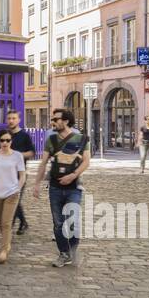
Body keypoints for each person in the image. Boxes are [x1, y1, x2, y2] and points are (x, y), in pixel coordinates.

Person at [36, 108, 90, 267]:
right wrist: (37, 183)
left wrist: (73, 175)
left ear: (66, 121)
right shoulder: (51, 140)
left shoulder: (81, 139)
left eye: (56, 119)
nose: (53, 121)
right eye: (52, 119)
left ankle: (73, 249)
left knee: (73, 222)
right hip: (55, 187)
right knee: (58, 223)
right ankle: (64, 253)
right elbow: (43, 163)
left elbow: (86, 162)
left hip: (74, 187)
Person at [0, 131, 27, 264]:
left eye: (7, 140)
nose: (5, 143)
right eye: (2, 140)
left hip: (11, 193)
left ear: (11, 141)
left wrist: (17, 189)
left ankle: (3, 251)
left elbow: (22, 175)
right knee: (1, 223)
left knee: (7, 223)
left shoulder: (17, 156)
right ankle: (7, 244)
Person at [0, 110, 36, 236]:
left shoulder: (24, 136)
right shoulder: (3, 135)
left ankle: (9, 227)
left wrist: (16, 155)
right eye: (9, 118)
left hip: (19, 174)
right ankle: (23, 222)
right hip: (4, 174)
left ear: (19, 120)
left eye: (14, 118)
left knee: (14, 200)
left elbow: (31, 152)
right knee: (8, 200)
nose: (11, 120)